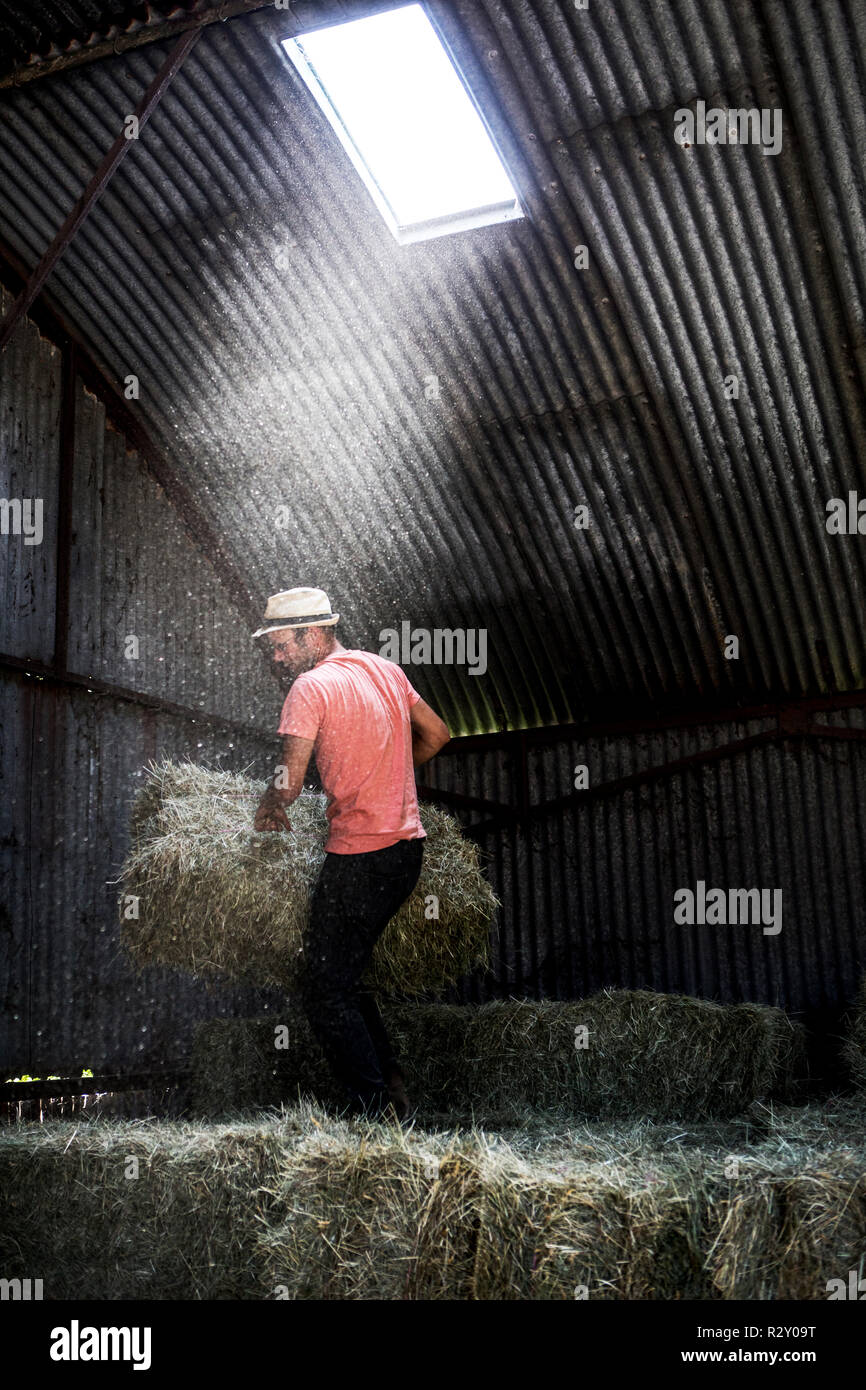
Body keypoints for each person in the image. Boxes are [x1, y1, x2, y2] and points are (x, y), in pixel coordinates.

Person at [251, 587, 450, 1123]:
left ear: (313, 633)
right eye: (269, 649)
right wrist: (391, 774)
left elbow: (289, 782)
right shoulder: (383, 670)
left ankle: (372, 1114)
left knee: (323, 989)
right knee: (343, 975)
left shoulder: (309, 688)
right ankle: (391, 1081)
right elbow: (438, 733)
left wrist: (269, 804)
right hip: (406, 854)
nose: (275, 657)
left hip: (360, 856)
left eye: (280, 646)